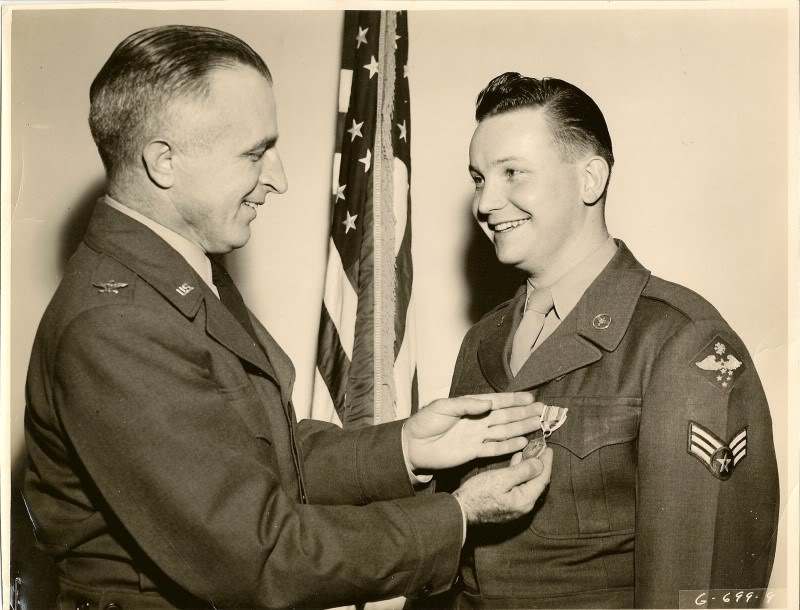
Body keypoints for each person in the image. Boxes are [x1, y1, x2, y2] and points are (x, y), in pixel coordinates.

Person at [21, 28, 555, 610]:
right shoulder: (117, 324)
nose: (277, 177)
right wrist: (458, 514)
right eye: (254, 152)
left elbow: (259, 454)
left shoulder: (175, 274)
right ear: (163, 162)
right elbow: (259, 555)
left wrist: (407, 448)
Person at [435, 72, 779, 609]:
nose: (486, 202)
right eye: (479, 178)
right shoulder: (484, 340)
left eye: (513, 174)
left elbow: (702, 574)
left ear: (590, 180)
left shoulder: (680, 338)